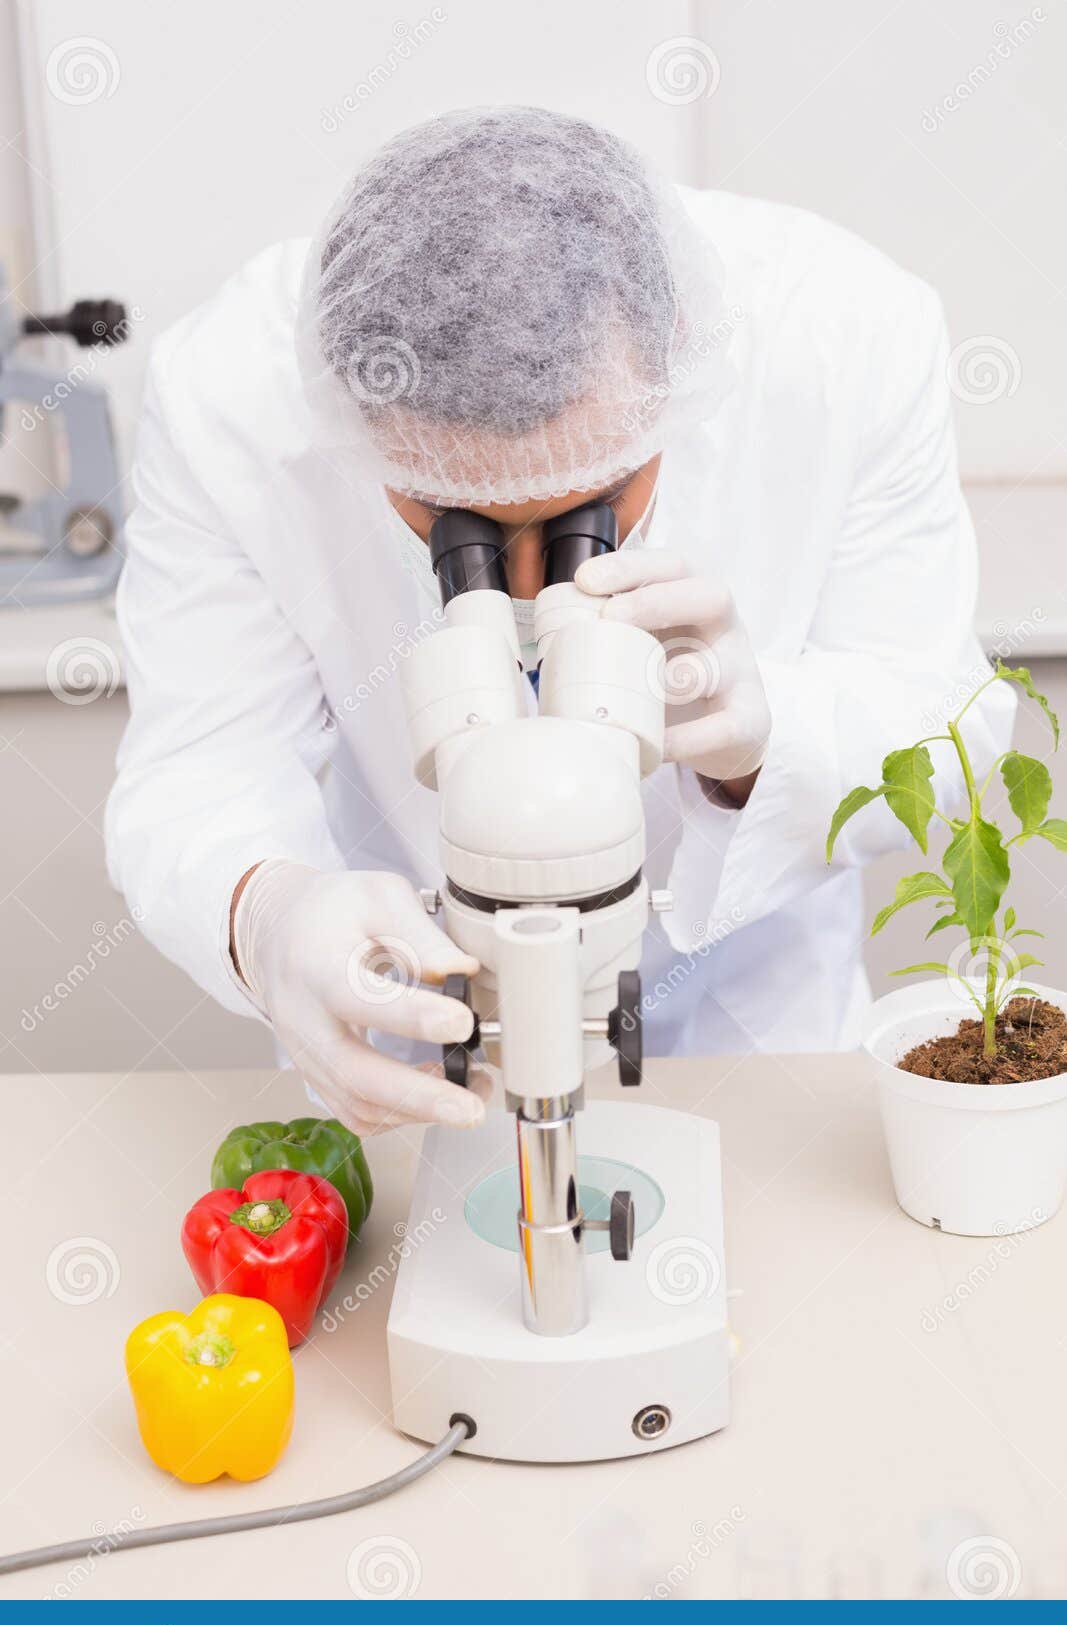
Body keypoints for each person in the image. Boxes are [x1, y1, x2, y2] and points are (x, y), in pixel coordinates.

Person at [105, 105, 1012, 1136]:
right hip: (419, 1023)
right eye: (460, 529)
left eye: (587, 509)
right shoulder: (233, 394)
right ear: (353, 424)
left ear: (674, 368)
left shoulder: (842, 335)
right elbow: (197, 764)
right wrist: (263, 913)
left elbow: (952, 732)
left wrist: (763, 745)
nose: (528, 595)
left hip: (754, 1033)